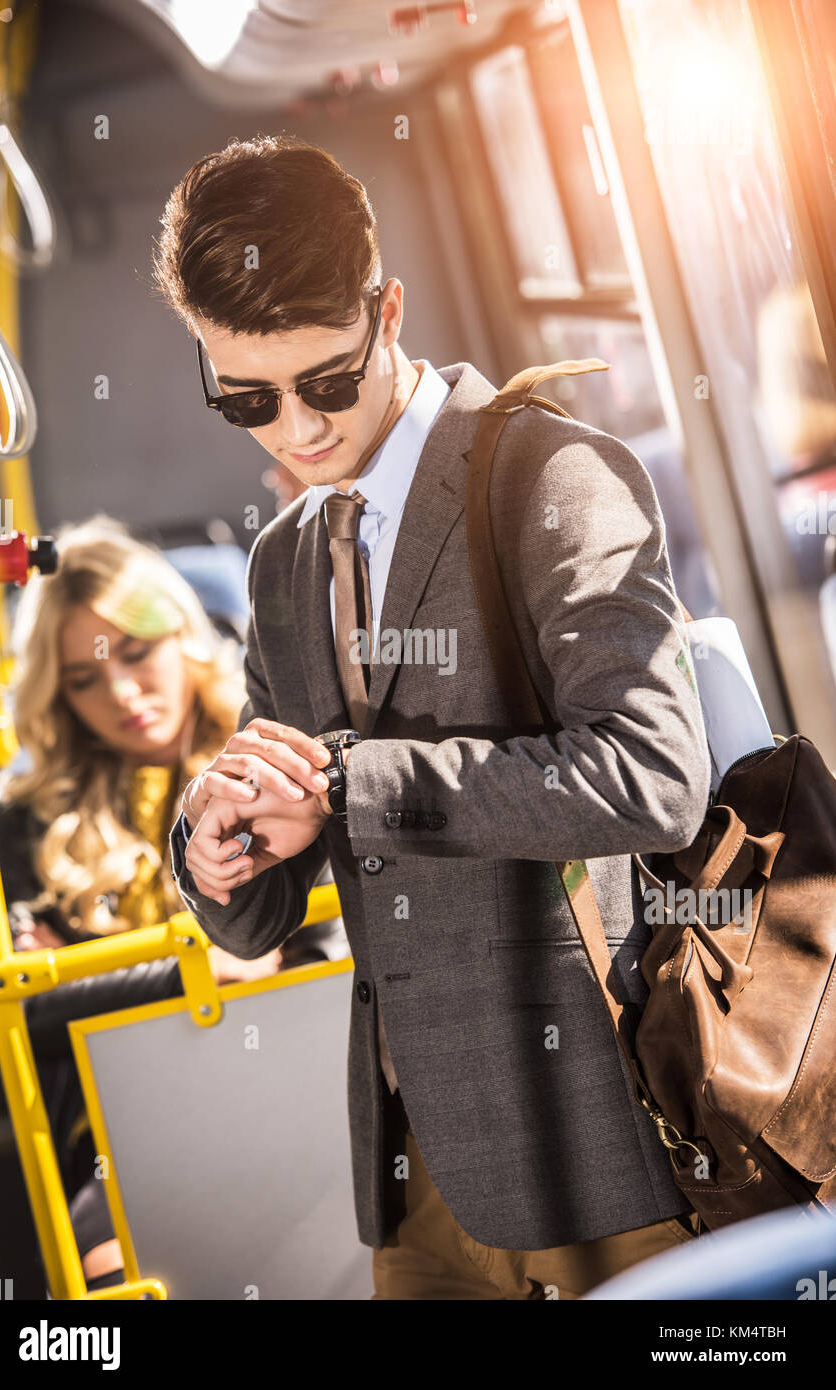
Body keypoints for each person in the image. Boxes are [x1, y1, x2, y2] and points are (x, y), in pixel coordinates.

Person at [153, 135, 711, 1300]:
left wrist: (357, 782)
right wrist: (221, 846)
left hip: (595, 1148)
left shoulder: (552, 476)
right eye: (245, 397)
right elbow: (263, 905)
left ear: (388, 309)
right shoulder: (281, 564)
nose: (295, 430)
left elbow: (654, 776)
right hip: (413, 1179)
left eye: (327, 381)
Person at [0, 514, 332, 1292]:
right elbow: (24, 1003)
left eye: (134, 654)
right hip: (124, 1135)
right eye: (82, 677)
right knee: (106, 1274)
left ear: (182, 635)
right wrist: (195, 969)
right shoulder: (27, 818)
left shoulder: (268, 752)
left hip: (303, 1087)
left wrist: (95, 977)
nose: (119, 691)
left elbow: (333, 938)